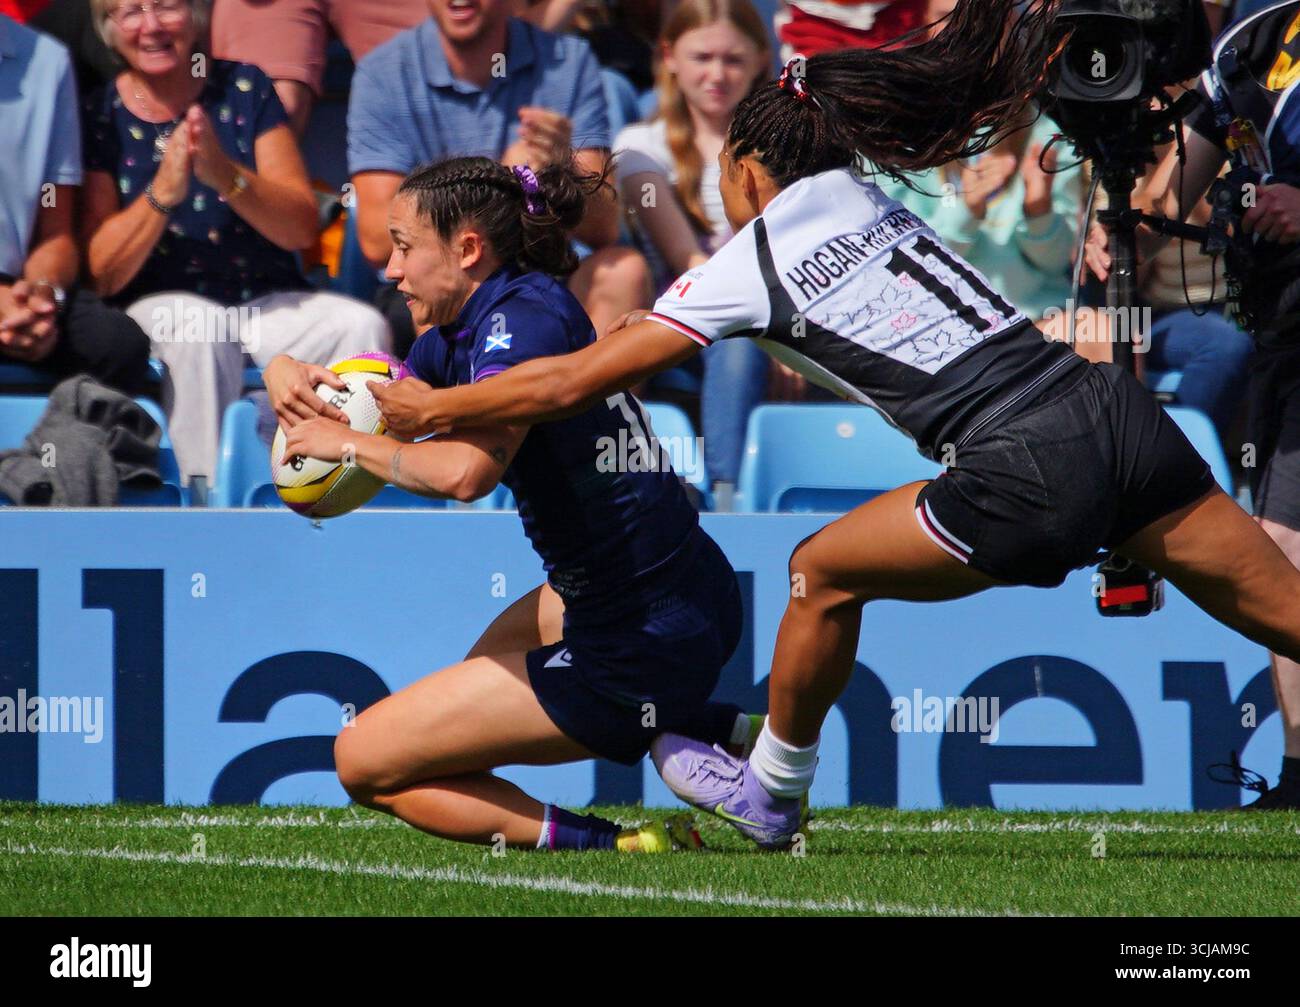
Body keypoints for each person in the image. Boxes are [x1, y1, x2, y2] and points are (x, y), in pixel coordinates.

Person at [370, 0, 1300, 845]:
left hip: (1019, 460)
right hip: (1115, 415)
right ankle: (747, 755)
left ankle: (771, 792)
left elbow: (561, 385)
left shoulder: (749, 259)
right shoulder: (860, 191)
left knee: (820, 572)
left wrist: (433, 405)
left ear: (742, 169)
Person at [266, 156, 756, 852]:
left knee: (365, 761)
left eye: (404, 247)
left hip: (639, 640)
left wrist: (345, 446)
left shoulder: (518, 324)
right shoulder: (481, 321)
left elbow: (465, 471)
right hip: (681, 592)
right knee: (453, 727)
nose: (390, 270)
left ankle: (619, 843)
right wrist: (282, 367)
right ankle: (723, 727)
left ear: (467, 249)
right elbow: (386, 396)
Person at [1087, 0, 1300, 808]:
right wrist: (1130, 220)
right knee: (1281, 547)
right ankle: (1299, 775)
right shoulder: (1256, 33)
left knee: (1285, 546)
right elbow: (1182, 178)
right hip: (1284, 330)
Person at [80, 0, 391, 484]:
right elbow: (101, 273)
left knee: (357, 324)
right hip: (159, 311)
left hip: (263, 302)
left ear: (196, 16)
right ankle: (206, 500)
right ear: (108, 29)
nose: (151, 26)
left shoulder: (244, 88)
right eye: (130, 12)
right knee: (199, 328)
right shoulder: (102, 111)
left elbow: (301, 226)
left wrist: (226, 175)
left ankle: (338, 489)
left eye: (165, 7)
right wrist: (163, 192)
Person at [347, 0, 650, 358]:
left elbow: (604, 228)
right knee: (439, 277)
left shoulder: (569, 62)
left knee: (624, 272)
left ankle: (590, 409)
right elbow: (376, 241)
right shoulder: (382, 73)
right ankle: (466, 411)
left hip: (551, 271)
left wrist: (563, 171)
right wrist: (505, 183)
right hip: (439, 280)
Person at [614, 0, 773, 491]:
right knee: (738, 341)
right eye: (702, 58)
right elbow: (690, 261)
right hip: (680, 312)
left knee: (744, 342)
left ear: (761, 61)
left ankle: (732, 495)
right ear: (670, 58)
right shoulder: (642, 145)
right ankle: (716, 495)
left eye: (733, 60)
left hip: (765, 313)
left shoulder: (783, 147)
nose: (717, 74)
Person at [0, 12, 152, 393]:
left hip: (12, 290)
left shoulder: (46, 61)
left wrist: (40, 298)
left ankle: (54, 452)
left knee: (117, 346)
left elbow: (55, 231)